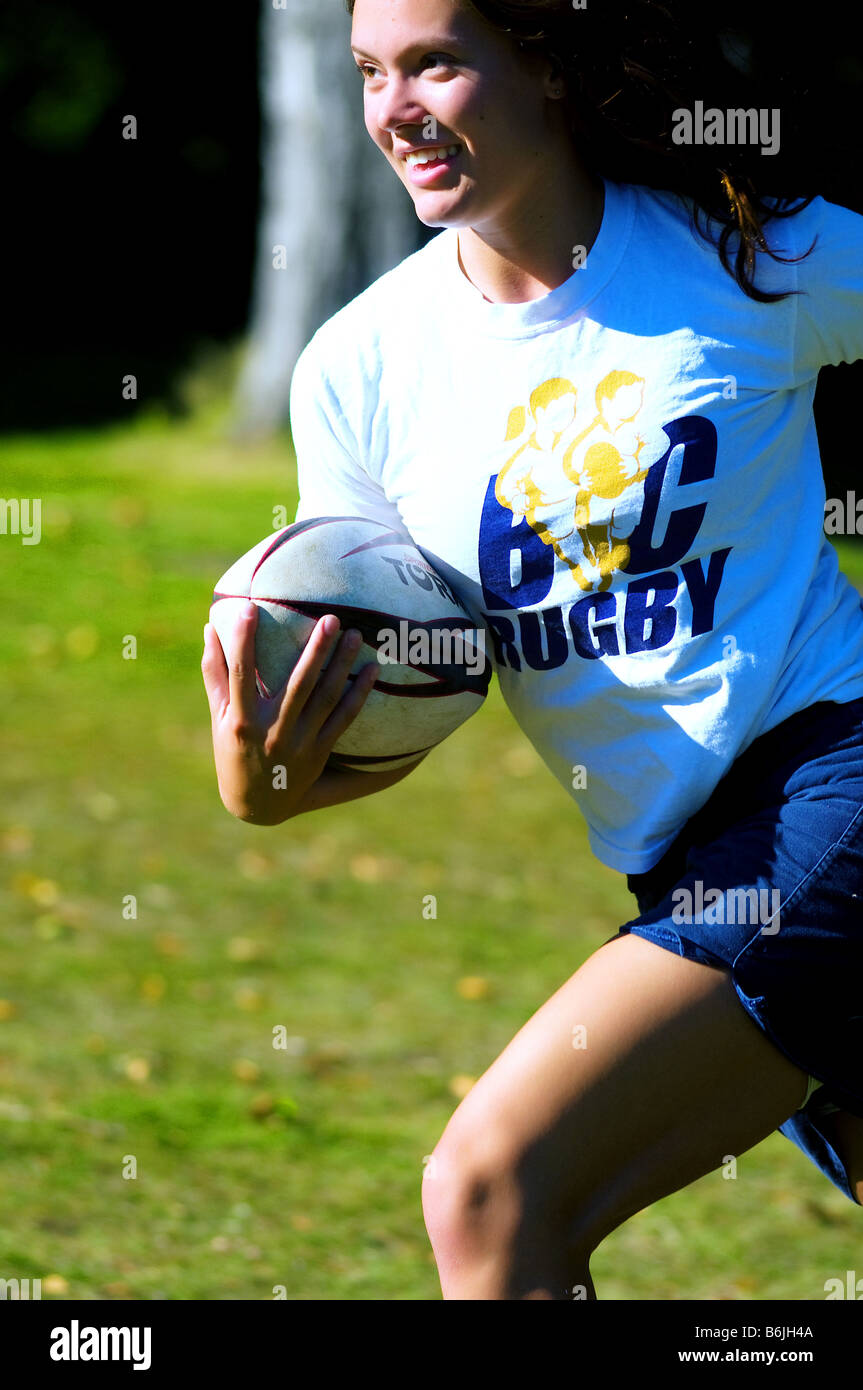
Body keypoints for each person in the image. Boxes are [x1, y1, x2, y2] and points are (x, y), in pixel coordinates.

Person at [201, 0, 863, 1299]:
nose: (395, 109)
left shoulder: (744, 255)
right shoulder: (360, 370)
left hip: (828, 787)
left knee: (493, 1189)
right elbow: (404, 682)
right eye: (370, 73)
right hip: (676, 862)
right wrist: (262, 770)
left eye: (436, 63)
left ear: (547, 65)